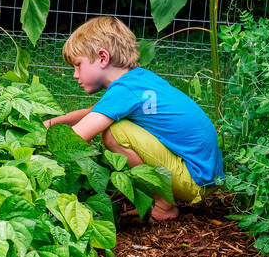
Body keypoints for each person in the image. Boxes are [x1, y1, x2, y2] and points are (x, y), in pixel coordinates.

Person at [44, 16, 222, 219]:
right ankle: (161, 200)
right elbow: (93, 111)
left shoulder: (125, 89)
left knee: (113, 132)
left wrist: (38, 153)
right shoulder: (138, 79)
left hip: (193, 179)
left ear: (102, 58)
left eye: (78, 65)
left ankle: (163, 206)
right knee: (110, 120)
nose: (75, 75)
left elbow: (77, 137)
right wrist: (50, 124)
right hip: (205, 175)